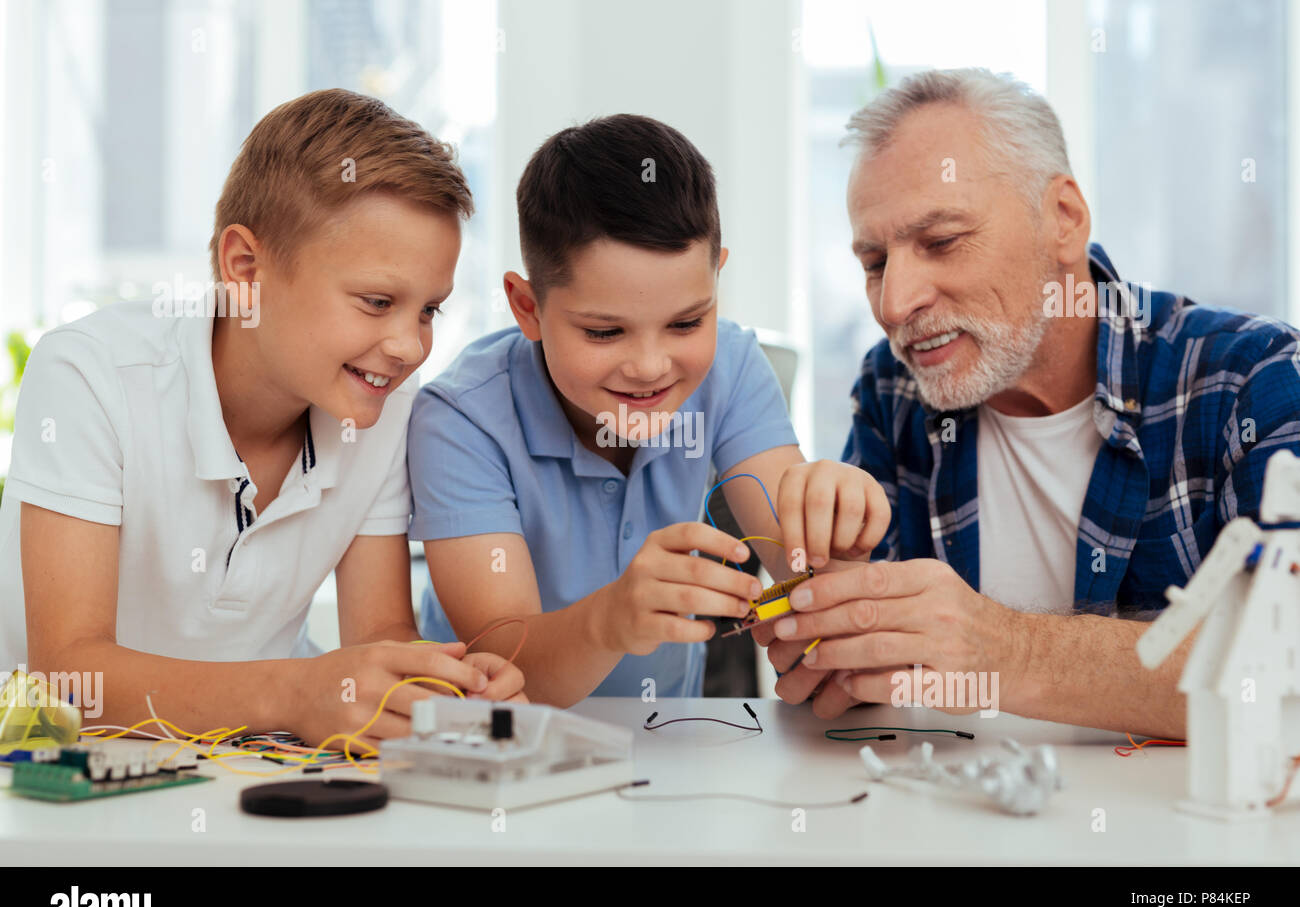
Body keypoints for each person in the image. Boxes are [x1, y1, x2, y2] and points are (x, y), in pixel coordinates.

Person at [762, 68, 1300, 738]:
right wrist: (838, 626)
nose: (895, 304)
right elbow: (870, 696)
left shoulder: (1252, 377)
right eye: (875, 262)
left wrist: (1006, 651)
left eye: (942, 242)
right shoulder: (894, 388)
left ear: (1063, 220)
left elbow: (1289, 675)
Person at [0, 89, 524, 749]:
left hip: (256, 772)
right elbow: (70, 677)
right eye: (377, 301)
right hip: (64, 777)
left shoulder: (381, 410)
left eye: (428, 311)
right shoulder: (90, 375)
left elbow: (379, 633)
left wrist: (442, 682)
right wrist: (294, 694)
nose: (410, 346)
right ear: (245, 269)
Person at [410, 114, 887, 706]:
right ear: (526, 306)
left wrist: (835, 535)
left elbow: (800, 573)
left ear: (717, 280)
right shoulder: (460, 420)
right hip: (499, 764)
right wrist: (608, 620)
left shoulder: (732, 366)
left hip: (668, 751)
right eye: (606, 332)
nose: (650, 366)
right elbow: (505, 672)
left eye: (687, 322)